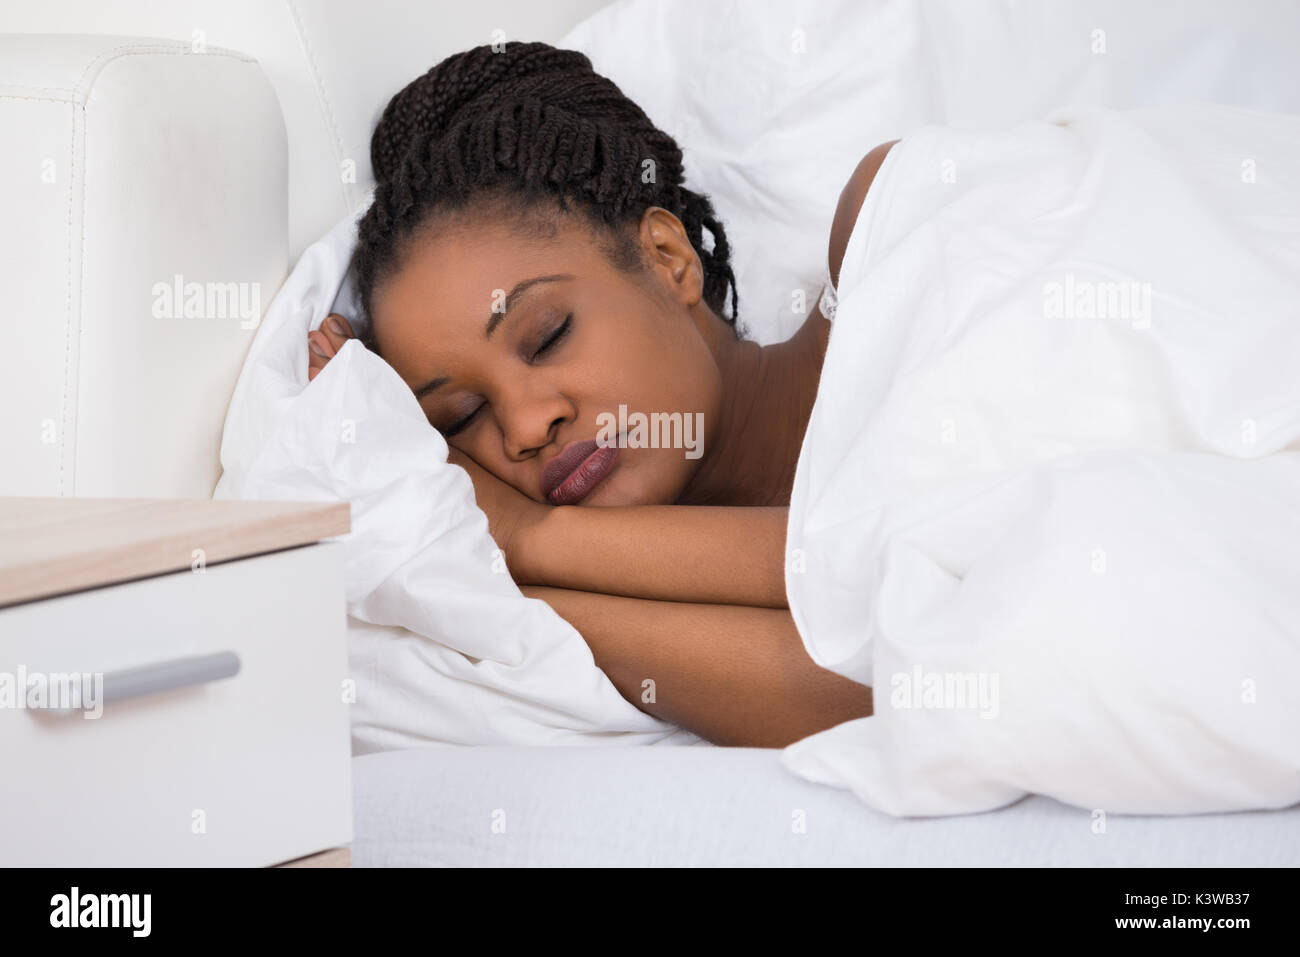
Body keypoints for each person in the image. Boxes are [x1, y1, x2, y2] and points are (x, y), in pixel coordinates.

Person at [307, 41, 895, 747]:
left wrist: (527, 539)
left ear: (668, 258)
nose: (526, 425)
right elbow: (879, 696)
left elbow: (875, 565)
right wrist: (501, 563)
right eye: (463, 416)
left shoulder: (885, 226)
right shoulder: (581, 577)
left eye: (548, 334)